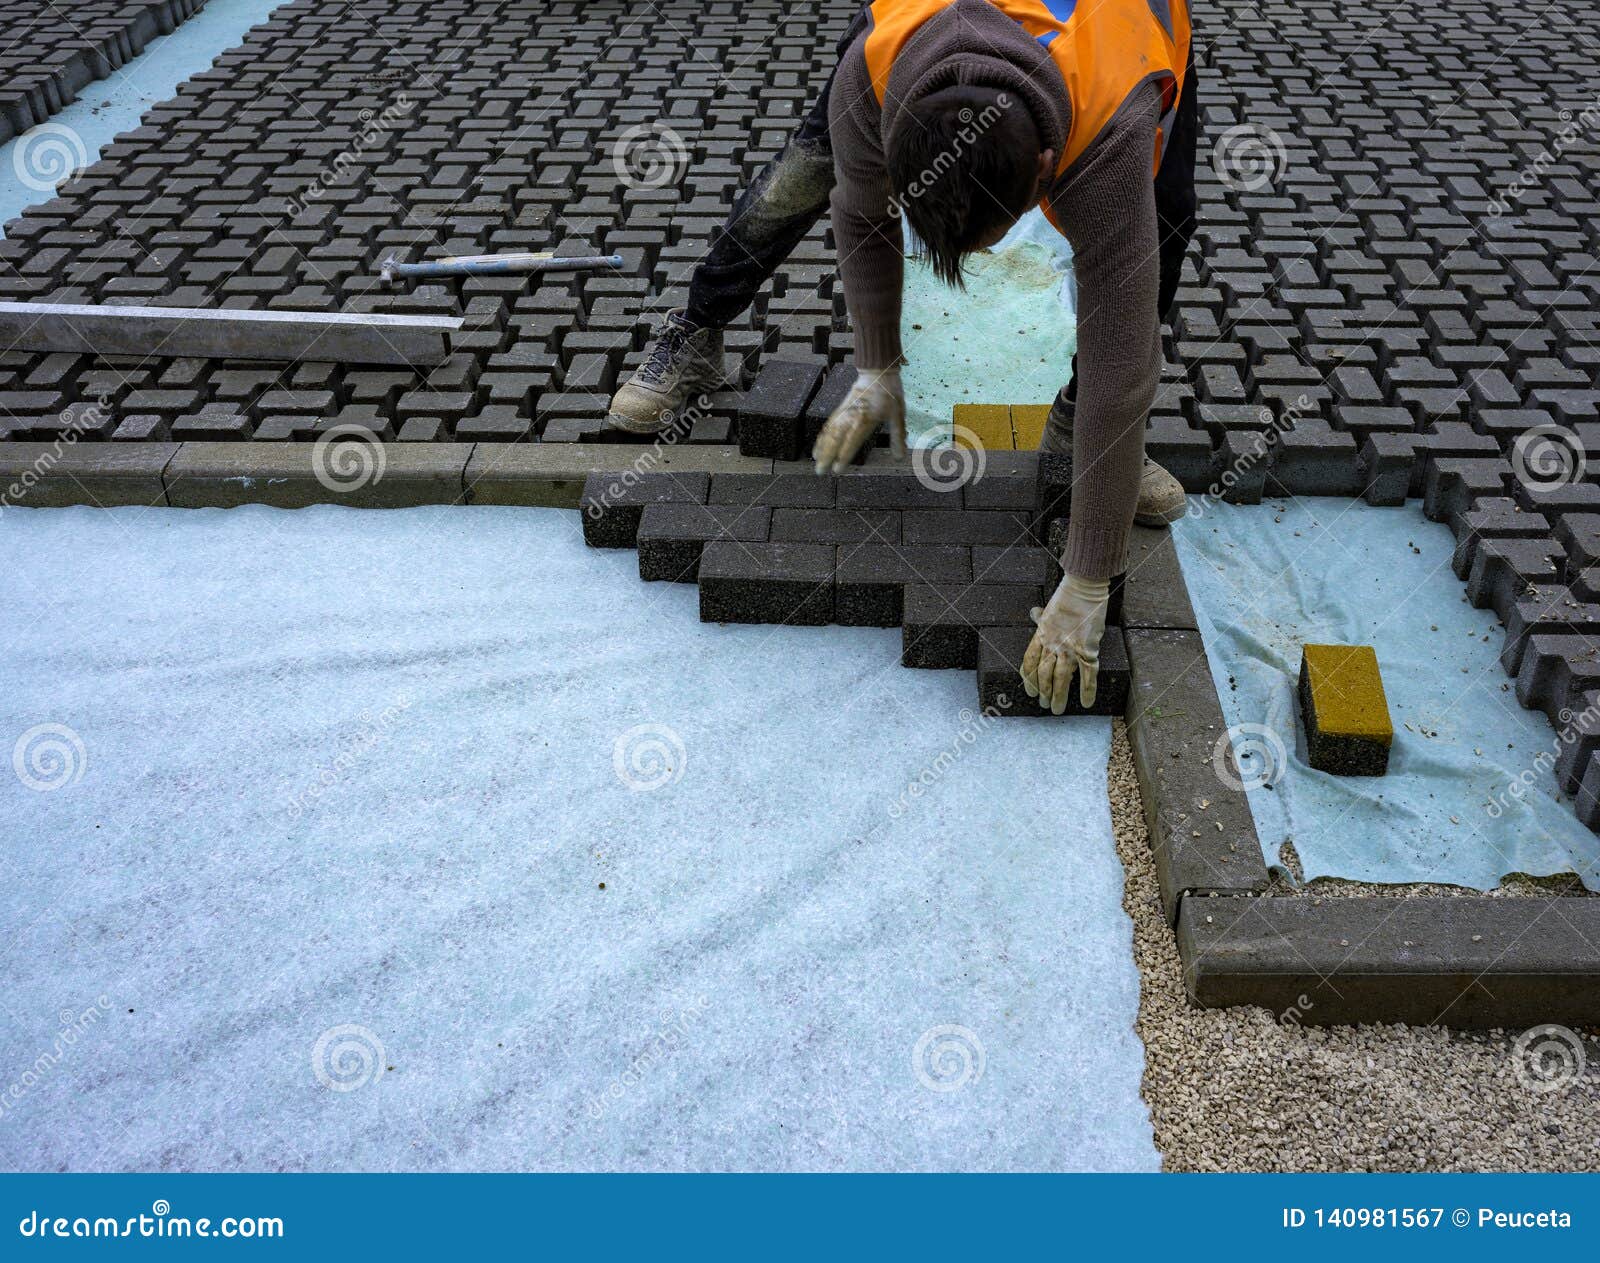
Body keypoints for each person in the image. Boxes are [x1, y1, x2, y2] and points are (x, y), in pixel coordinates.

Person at [608, 0, 1197, 713]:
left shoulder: (1109, 133)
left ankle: (1083, 434)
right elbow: (861, 213)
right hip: (920, 39)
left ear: (1047, 170)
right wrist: (878, 367)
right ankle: (696, 332)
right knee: (801, 177)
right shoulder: (873, 78)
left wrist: (1089, 576)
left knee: (1161, 223)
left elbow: (1122, 358)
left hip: (1128, 39)